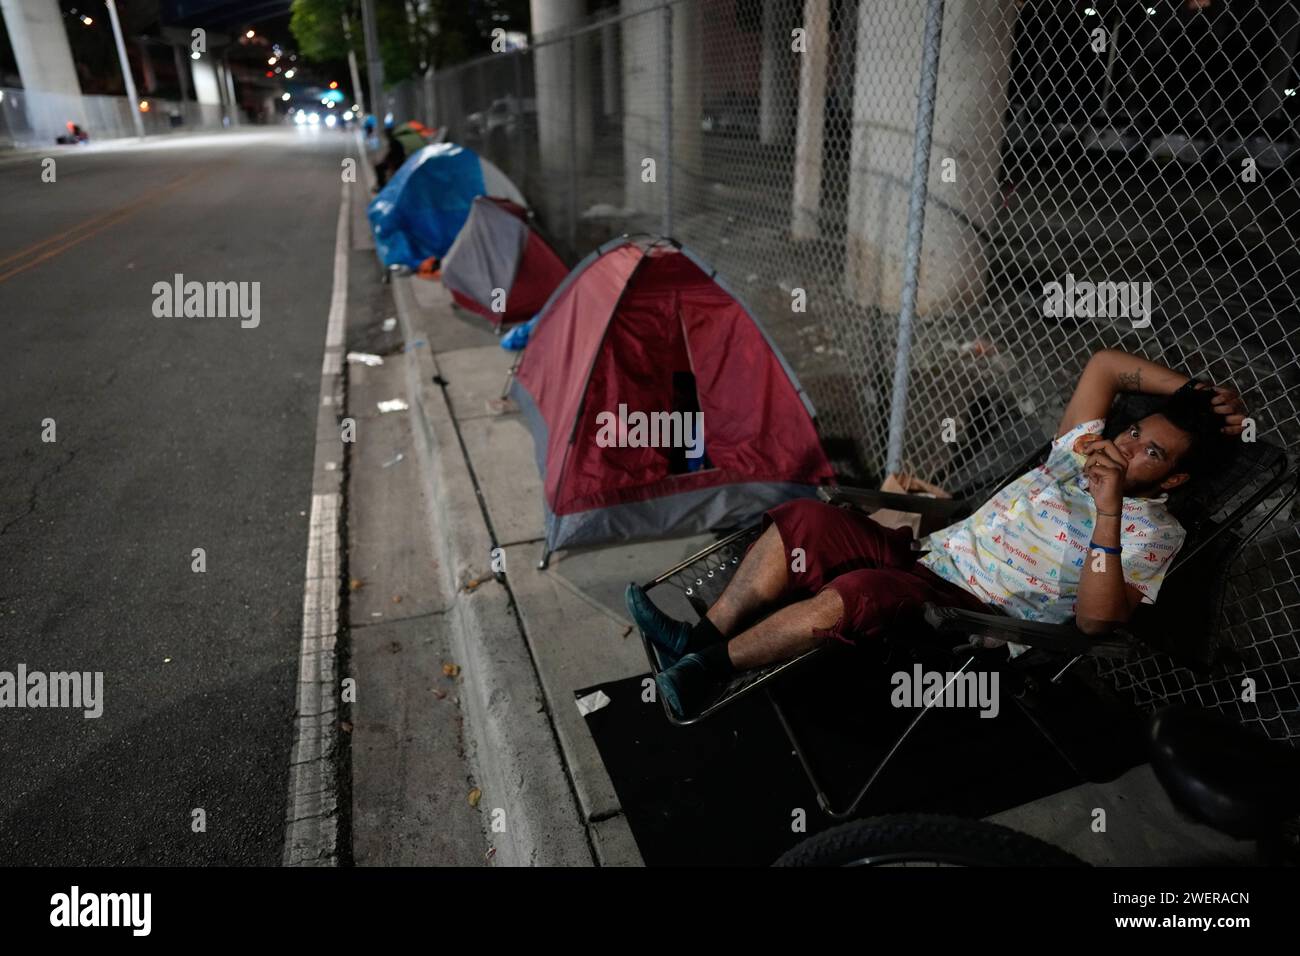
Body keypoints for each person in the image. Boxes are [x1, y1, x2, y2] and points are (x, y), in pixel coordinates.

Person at [626, 347, 1248, 718]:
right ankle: (699, 638)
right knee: (808, 519)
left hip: (974, 613)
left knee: (867, 591)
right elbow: (1106, 366)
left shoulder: (1153, 536)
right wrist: (1192, 390)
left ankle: (708, 670)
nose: (1128, 444)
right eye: (1134, 432)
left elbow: (1094, 624)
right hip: (926, 556)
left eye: (1153, 454)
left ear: (1171, 483)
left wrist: (1109, 507)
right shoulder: (1081, 450)